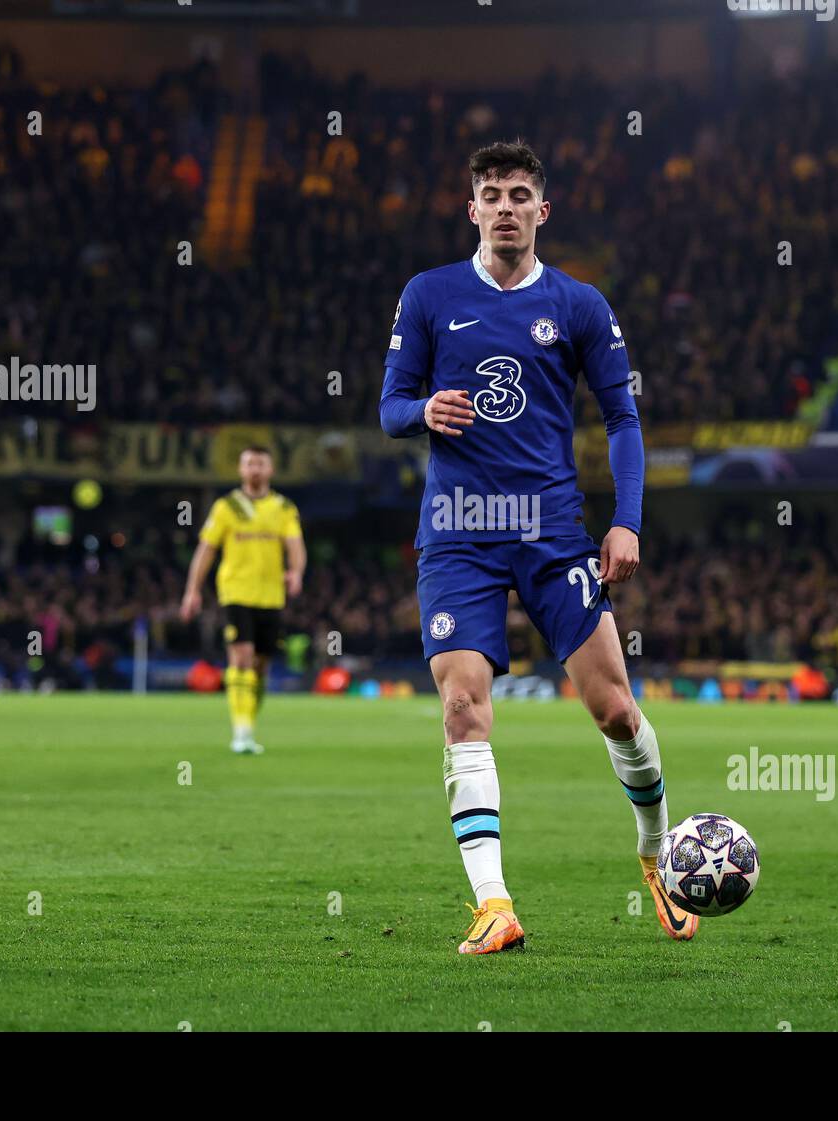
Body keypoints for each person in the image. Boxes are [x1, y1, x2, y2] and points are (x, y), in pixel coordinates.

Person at [379, 140, 696, 953]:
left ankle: (658, 858)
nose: (508, 206)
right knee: (462, 707)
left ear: (543, 210)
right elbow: (388, 406)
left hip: (553, 532)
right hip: (457, 534)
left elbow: (622, 420)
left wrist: (626, 520)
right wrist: (424, 413)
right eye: (493, 193)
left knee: (617, 710)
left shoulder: (580, 304)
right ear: (473, 208)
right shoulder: (429, 294)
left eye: (522, 193)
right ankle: (493, 904)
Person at [181, 447, 306, 754]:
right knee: (241, 656)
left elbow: (295, 544)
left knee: (261, 665)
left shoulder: (283, 507)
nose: (255, 469)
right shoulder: (226, 507)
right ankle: (242, 732)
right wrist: (192, 590)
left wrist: (296, 572)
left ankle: (248, 724)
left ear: (270, 469)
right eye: (249, 463)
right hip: (235, 593)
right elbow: (206, 550)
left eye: (260, 463)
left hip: (270, 597)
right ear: (240, 469)